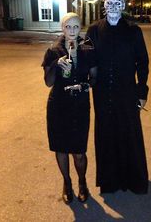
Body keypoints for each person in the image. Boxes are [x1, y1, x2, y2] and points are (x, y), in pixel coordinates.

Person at [86, 0, 149, 194]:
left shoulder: (133, 31)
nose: (113, 6)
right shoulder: (93, 30)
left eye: (117, 3)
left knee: (129, 134)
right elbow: (87, 59)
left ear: (123, 6)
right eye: (109, 2)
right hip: (102, 95)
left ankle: (133, 179)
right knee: (106, 136)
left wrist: (141, 92)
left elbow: (143, 63)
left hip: (127, 94)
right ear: (104, 5)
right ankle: (109, 181)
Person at [42, 12, 97, 204]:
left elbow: (95, 77)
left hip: (80, 105)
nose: (72, 31)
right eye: (68, 27)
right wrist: (56, 66)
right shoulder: (53, 50)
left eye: (75, 27)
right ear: (62, 28)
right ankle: (67, 183)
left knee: (79, 151)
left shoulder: (87, 47)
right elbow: (48, 83)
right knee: (61, 148)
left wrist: (84, 85)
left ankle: (82, 182)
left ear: (80, 27)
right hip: (58, 106)